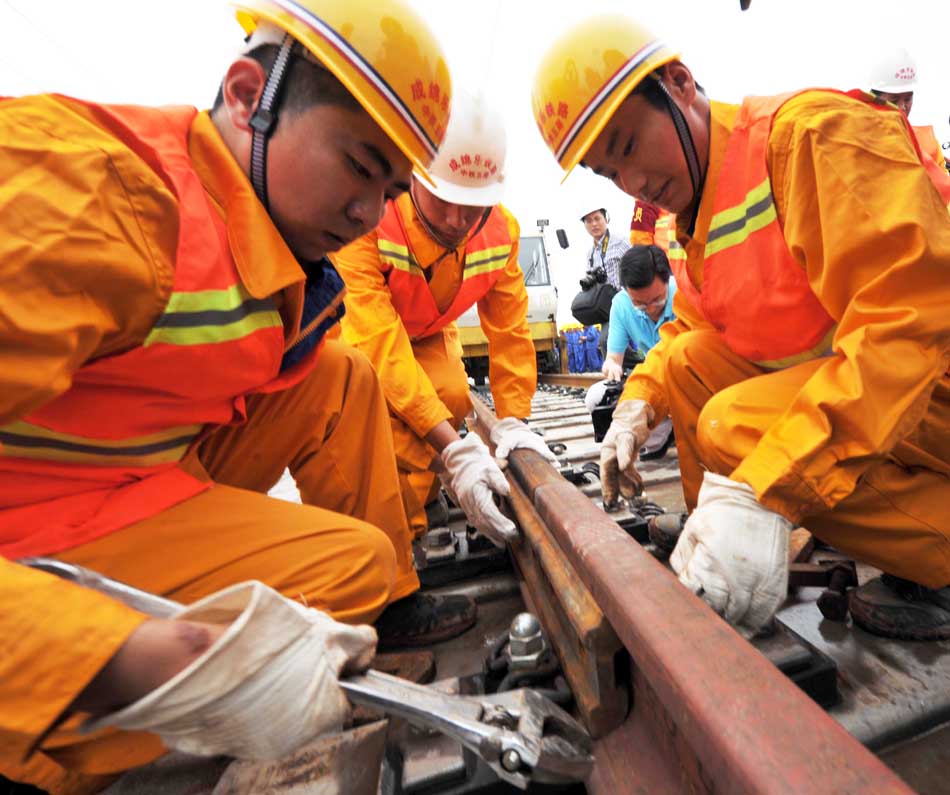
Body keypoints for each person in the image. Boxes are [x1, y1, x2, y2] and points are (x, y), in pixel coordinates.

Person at [0, 1, 456, 791]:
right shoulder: (93, 192)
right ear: (248, 96)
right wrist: (130, 660)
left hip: (118, 480)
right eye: (358, 163)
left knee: (340, 386)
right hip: (27, 531)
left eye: (387, 189)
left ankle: (394, 602)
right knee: (340, 576)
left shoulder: (259, 237)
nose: (365, 213)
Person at [532, 14, 950, 640]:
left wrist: (767, 487)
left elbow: (908, 322)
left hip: (925, 392)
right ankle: (719, 544)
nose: (634, 182)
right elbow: (691, 331)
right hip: (887, 411)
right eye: (610, 174)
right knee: (685, 365)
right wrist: (636, 406)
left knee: (734, 426)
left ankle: (933, 557)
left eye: (627, 147)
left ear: (679, 84)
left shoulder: (810, 137)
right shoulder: (703, 214)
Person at [332, 89, 557, 551]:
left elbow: (511, 333)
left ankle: (423, 500)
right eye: (443, 200)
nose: (457, 220)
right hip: (355, 335)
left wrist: (514, 422)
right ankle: (391, 529)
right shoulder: (369, 219)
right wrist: (452, 452)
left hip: (428, 335)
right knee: (372, 409)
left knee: (451, 393)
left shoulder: (501, 233)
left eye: (473, 205)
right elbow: (378, 344)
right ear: (413, 175)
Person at [869, 46, 949, 176]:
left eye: (907, 99)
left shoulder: (928, 143)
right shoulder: (858, 141)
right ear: (874, 99)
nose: (902, 107)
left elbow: (945, 191)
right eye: (894, 101)